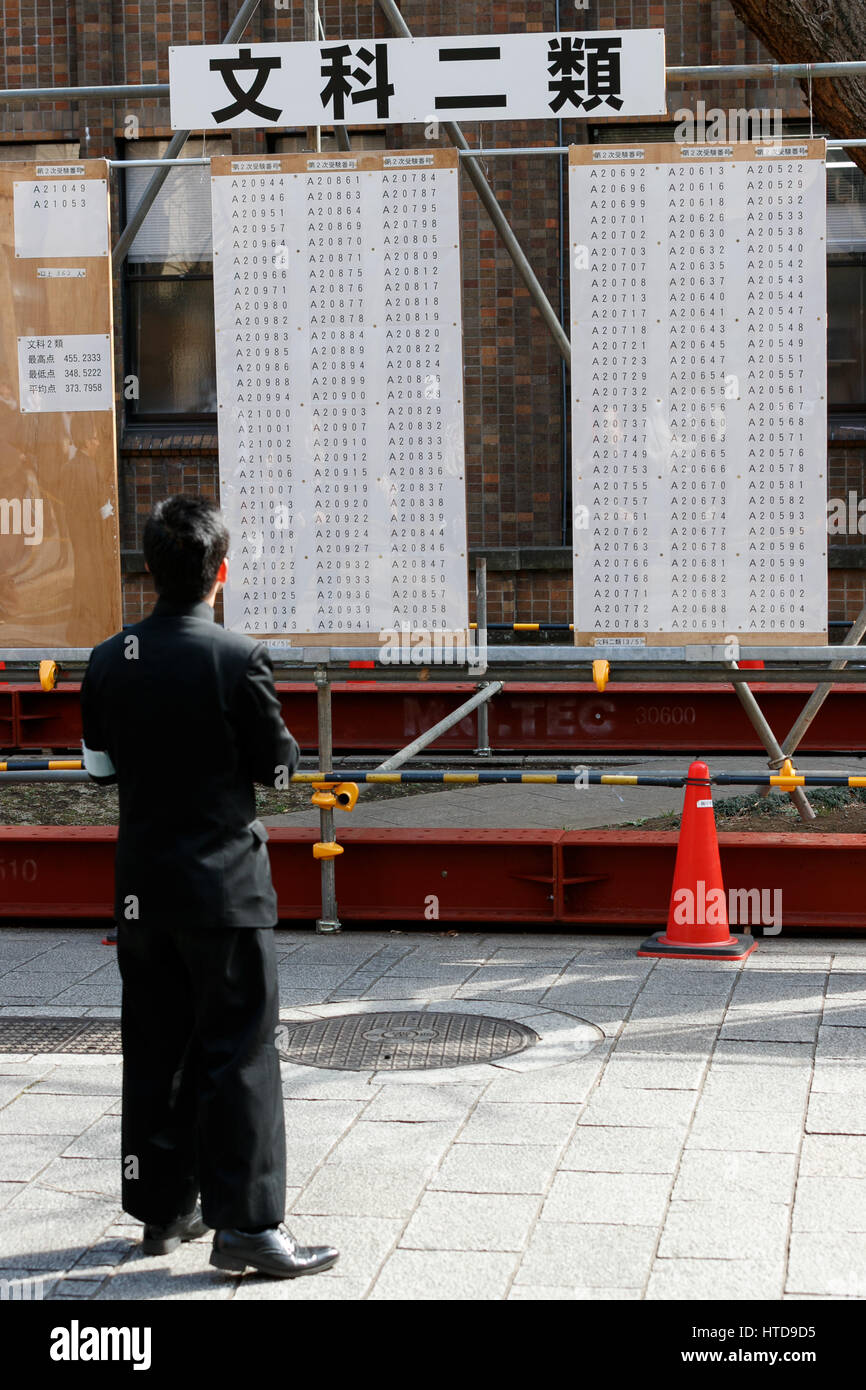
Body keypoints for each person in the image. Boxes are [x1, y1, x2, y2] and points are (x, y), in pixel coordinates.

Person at [80, 495, 338, 1280]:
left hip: (142, 888)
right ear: (220, 573)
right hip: (224, 890)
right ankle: (250, 1228)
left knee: (156, 1046)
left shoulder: (106, 659)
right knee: (239, 1053)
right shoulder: (239, 658)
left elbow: (99, 770)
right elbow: (279, 766)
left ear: (147, 572)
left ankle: (164, 1210)